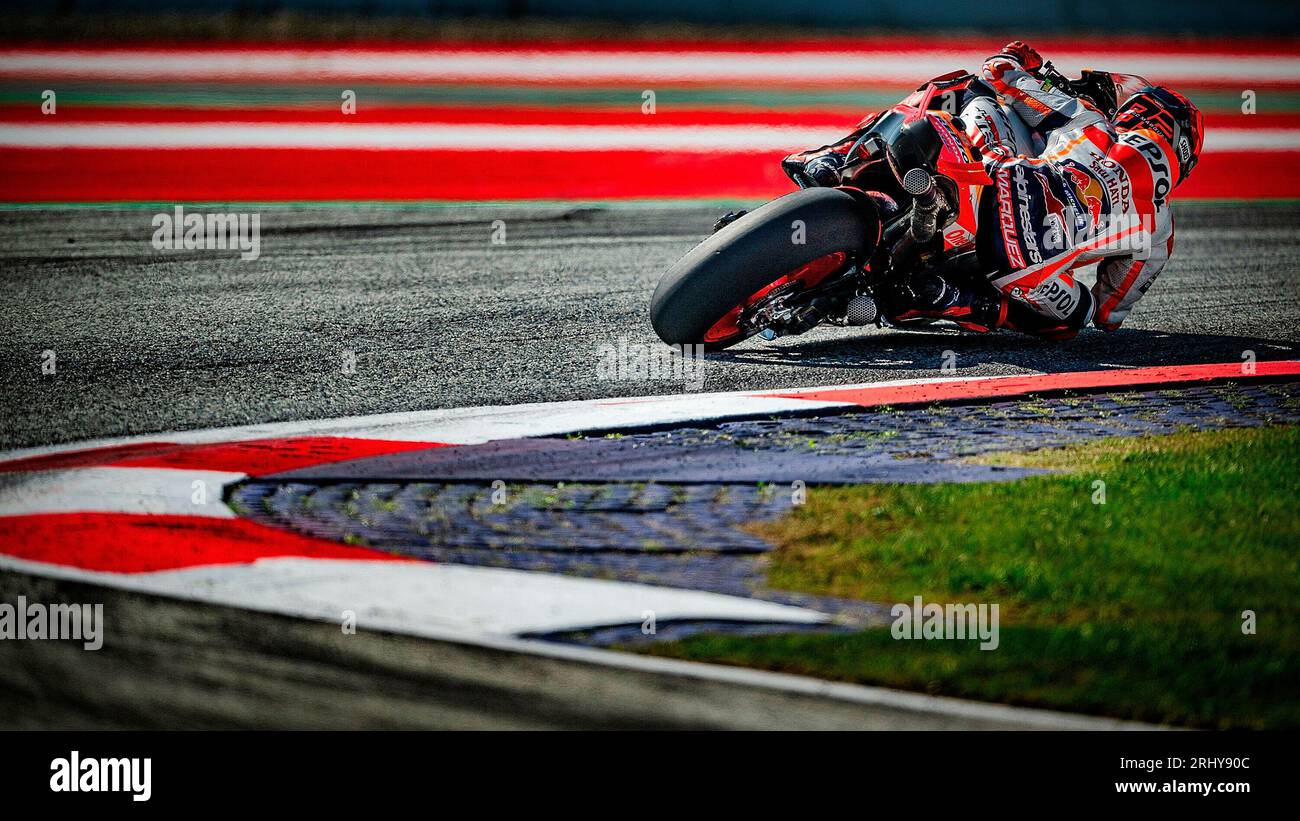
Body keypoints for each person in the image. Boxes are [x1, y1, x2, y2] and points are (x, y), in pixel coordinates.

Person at [882, 41, 1204, 339]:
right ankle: (951, 299)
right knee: (1075, 319)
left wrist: (1020, 60)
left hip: (996, 190)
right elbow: (1109, 313)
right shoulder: (1160, 230)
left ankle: (912, 183)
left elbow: (998, 74)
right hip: (1018, 267)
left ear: (1138, 114)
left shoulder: (1089, 123)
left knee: (978, 93)